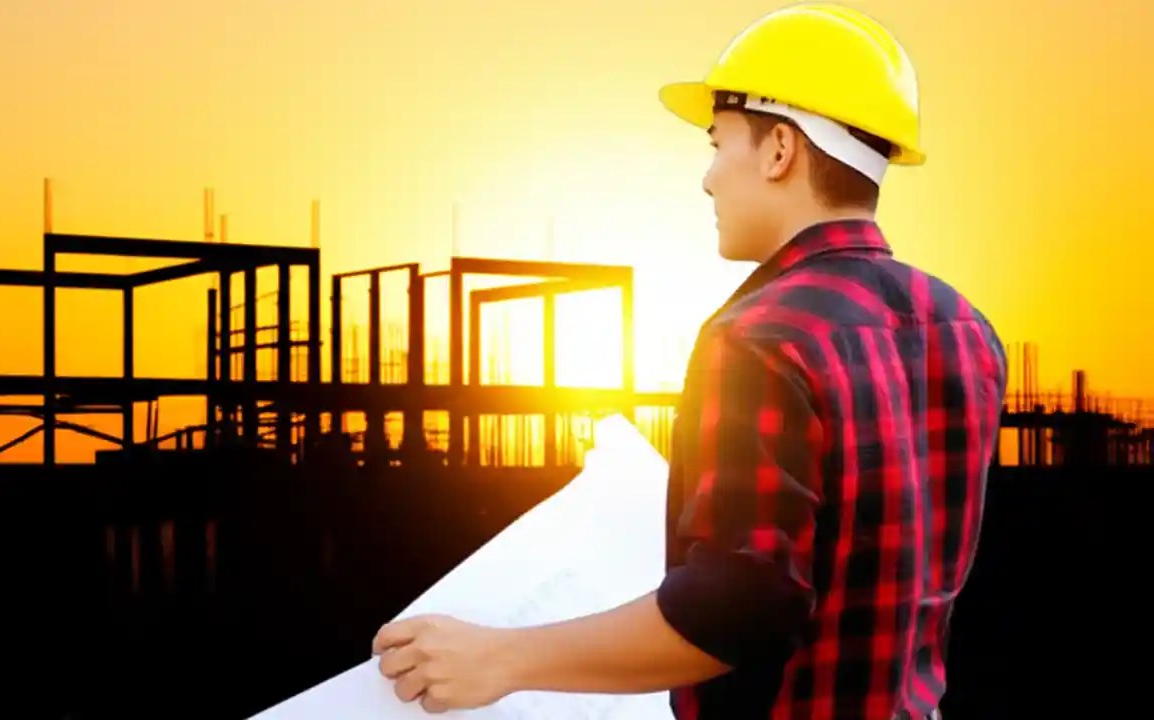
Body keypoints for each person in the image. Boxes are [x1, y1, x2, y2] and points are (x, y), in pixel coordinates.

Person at [371, 2, 1008, 718]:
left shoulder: (759, 338)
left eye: (717, 143)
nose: (707, 178)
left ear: (778, 151)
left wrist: (501, 658)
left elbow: (738, 609)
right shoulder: (966, 328)